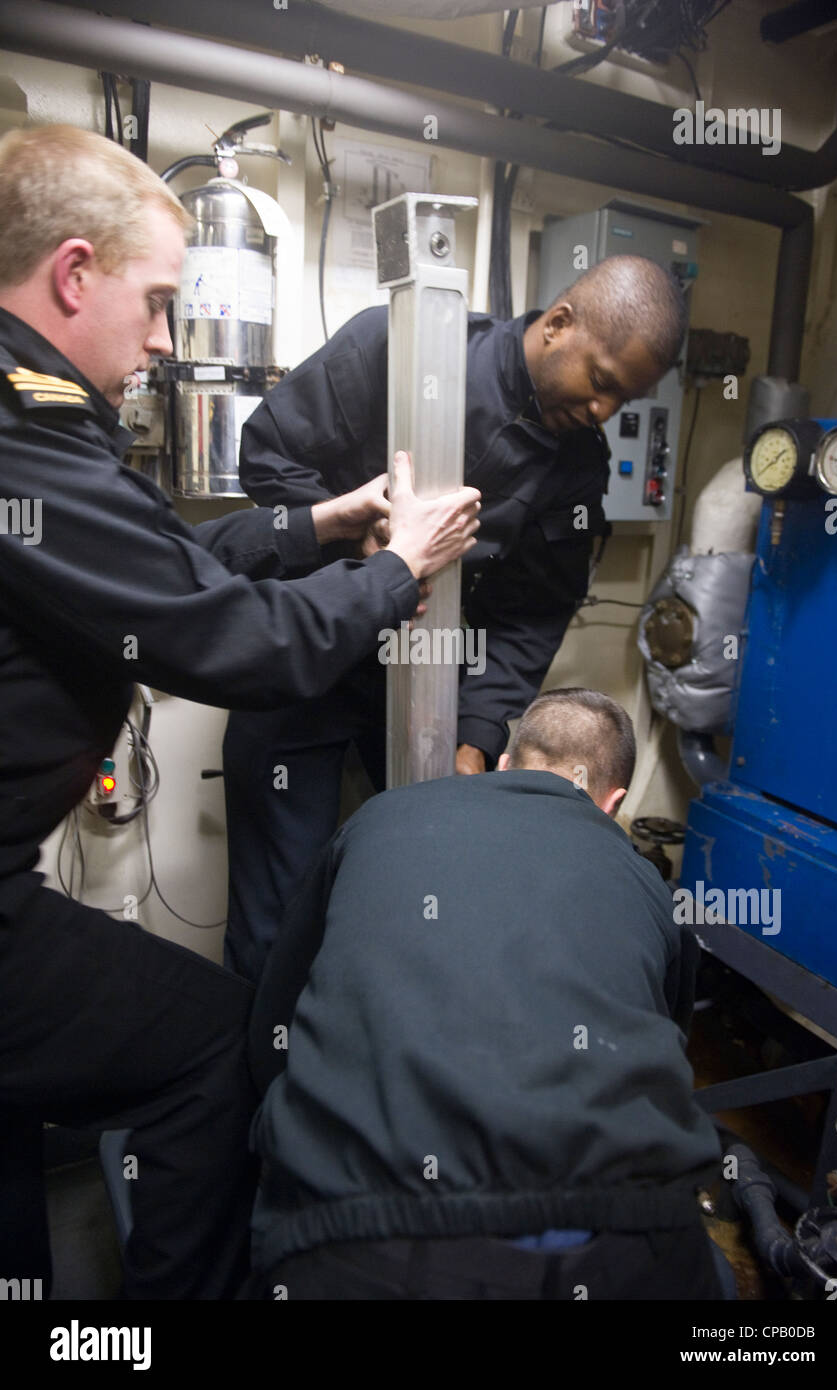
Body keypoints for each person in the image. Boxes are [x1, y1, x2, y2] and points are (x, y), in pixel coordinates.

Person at [0, 123, 480, 1300]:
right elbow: (240, 643)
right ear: (73, 274)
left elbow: (156, 563)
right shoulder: (26, 437)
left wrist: (317, 526)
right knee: (208, 1041)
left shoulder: (40, 429)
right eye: (157, 301)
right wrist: (398, 567)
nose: (166, 339)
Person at [223, 254, 686, 981]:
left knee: (433, 887)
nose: (603, 411)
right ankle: (265, 1081)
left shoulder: (576, 466)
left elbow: (530, 617)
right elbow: (268, 457)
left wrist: (474, 736)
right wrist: (357, 531)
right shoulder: (389, 347)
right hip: (307, 655)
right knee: (276, 919)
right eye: (600, 383)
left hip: (426, 680)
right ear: (558, 325)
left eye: (620, 401)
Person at [248, 687, 723, 1301]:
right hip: (627, 1237)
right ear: (614, 803)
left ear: (504, 762)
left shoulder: (379, 819)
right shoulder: (649, 888)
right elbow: (665, 1050)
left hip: (352, 1232)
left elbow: (273, 1024)